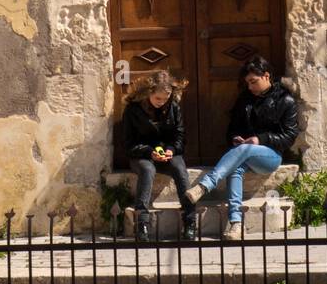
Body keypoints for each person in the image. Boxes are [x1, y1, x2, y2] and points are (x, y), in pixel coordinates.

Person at [185, 55, 299, 241]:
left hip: (271, 155)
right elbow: (232, 128)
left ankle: (205, 185)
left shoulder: (285, 100)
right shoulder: (245, 99)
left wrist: (259, 139)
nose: (250, 87)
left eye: (253, 82)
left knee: (244, 151)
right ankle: (236, 223)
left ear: (266, 76)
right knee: (235, 169)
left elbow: (289, 137)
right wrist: (235, 139)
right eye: (247, 83)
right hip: (243, 153)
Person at [121, 70, 197, 243]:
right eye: (158, 99)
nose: (162, 102)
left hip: (167, 153)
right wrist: (149, 153)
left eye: (166, 98)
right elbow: (128, 145)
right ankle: (142, 223)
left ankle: (190, 220)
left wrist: (171, 149)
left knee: (179, 168)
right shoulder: (133, 110)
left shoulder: (173, 107)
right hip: (142, 154)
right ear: (149, 93)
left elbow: (180, 135)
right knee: (147, 170)